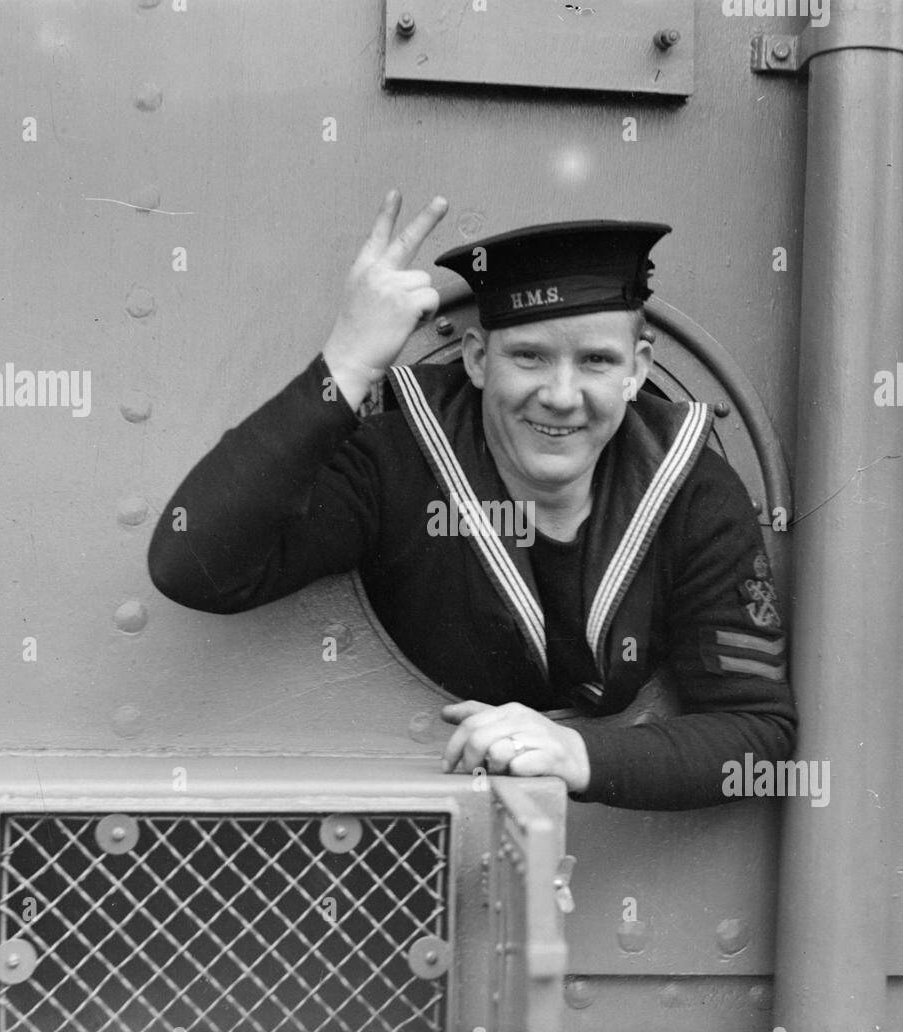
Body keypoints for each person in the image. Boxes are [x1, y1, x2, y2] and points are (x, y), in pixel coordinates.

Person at [147, 190, 796, 810]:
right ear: (479, 359)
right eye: (530, 358)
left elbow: (758, 737)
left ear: (638, 368)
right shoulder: (398, 461)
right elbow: (194, 566)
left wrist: (577, 752)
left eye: (596, 361)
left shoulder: (692, 491)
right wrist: (346, 361)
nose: (562, 395)